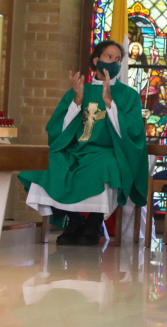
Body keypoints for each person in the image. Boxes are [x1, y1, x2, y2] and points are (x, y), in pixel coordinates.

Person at [18, 40, 148, 246]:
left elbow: (133, 132)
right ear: (96, 60)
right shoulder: (78, 90)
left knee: (103, 166)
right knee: (51, 162)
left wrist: (110, 103)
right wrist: (77, 101)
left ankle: (94, 223)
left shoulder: (128, 95)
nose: (113, 62)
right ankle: (75, 220)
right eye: (108, 57)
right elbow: (57, 129)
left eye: (117, 59)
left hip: (108, 150)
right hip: (77, 149)